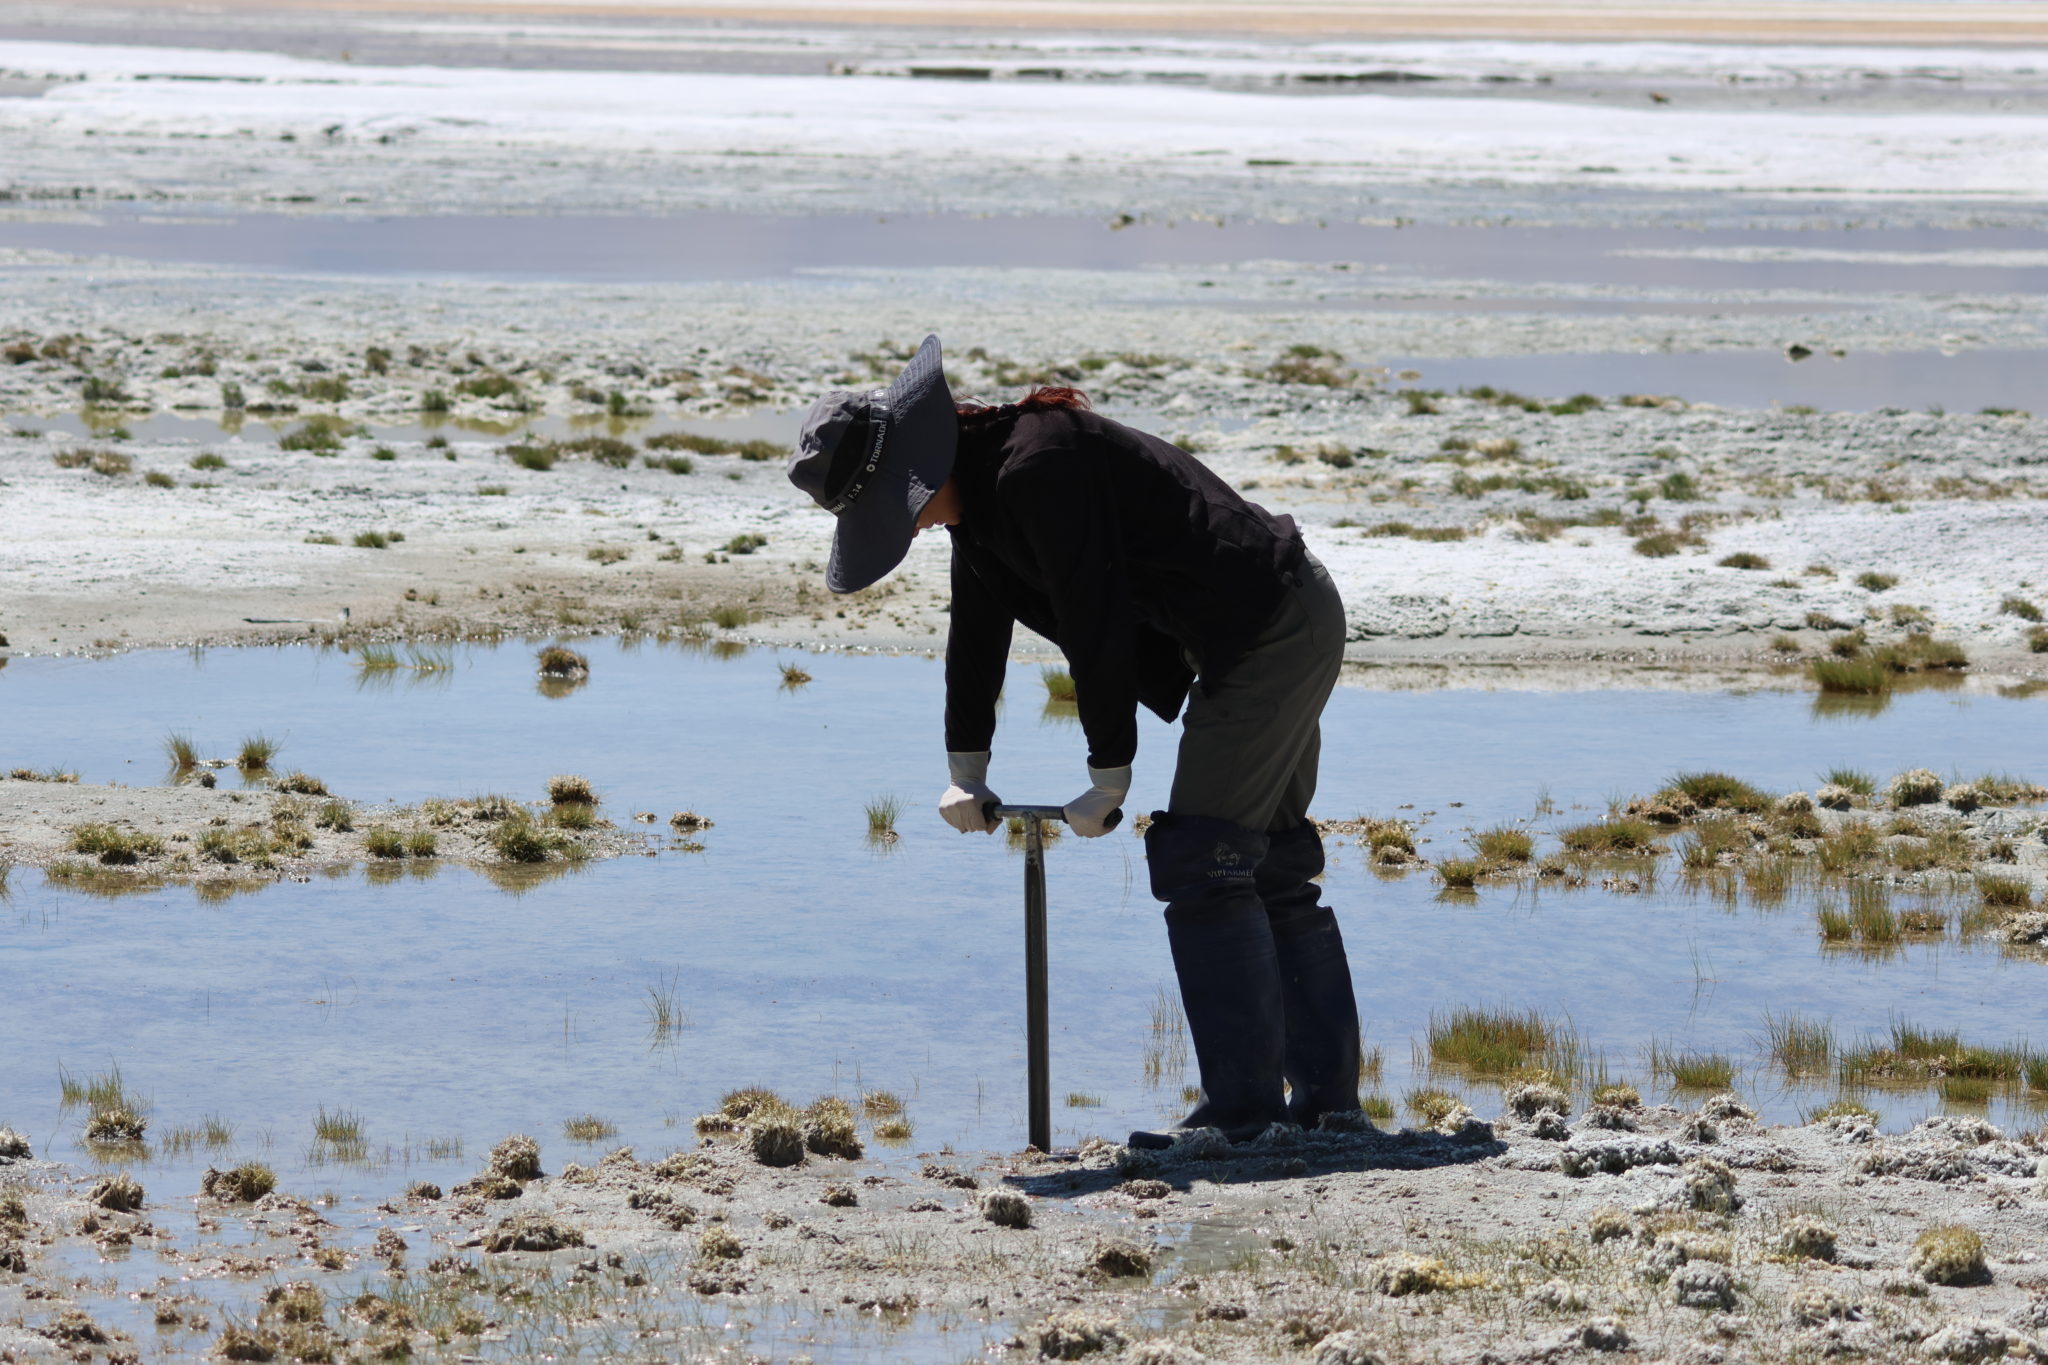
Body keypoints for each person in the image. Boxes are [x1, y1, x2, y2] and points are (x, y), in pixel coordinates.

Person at [787, 335, 1361, 1147]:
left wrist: (1109, 776)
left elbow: (1095, 622)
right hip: (1265, 622)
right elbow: (974, 636)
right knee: (1265, 858)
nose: (905, 531)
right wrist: (966, 770)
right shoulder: (979, 498)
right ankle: (1328, 1113)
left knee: (1205, 858)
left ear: (915, 471)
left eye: (894, 510)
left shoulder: (1035, 468)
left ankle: (1246, 1118)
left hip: (1274, 626)